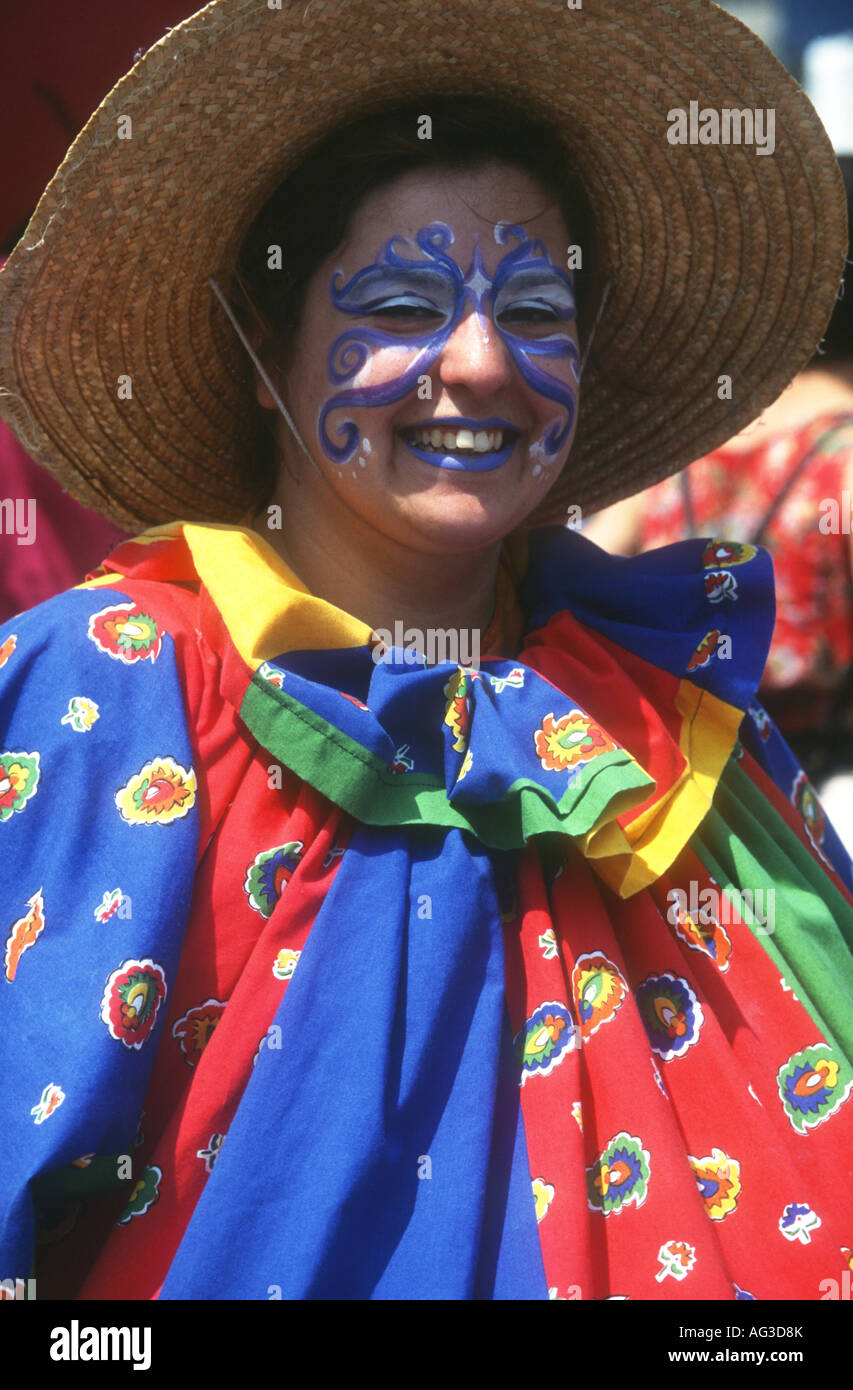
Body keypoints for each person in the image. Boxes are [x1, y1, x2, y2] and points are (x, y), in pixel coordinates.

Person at [1, 0, 852, 1303]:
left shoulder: (669, 726)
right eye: (401, 301)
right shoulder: (112, 687)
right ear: (259, 350)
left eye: (534, 306)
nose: (480, 360)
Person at [584, 161, 853, 845]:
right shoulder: (842, 455)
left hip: (689, 804)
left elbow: (588, 578)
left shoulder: (685, 444)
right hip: (831, 801)